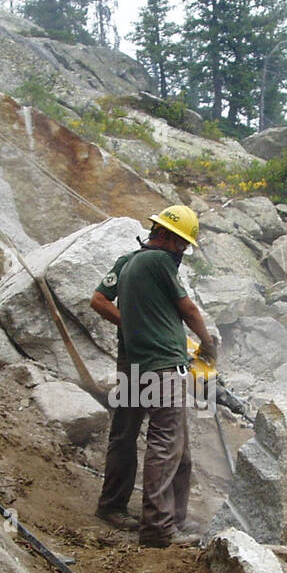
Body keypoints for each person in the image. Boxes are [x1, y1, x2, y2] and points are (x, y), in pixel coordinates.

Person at [90, 205, 218, 547]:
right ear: (169, 238)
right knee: (166, 444)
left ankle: (117, 506)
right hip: (162, 368)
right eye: (182, 245)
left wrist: (132, 324)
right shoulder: (160, 261)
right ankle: (159, 528)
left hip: (132, 362)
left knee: (128, 436)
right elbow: (188, 309)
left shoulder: (128, 261)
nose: (181, 253)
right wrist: (208, 344)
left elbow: (98, 300)